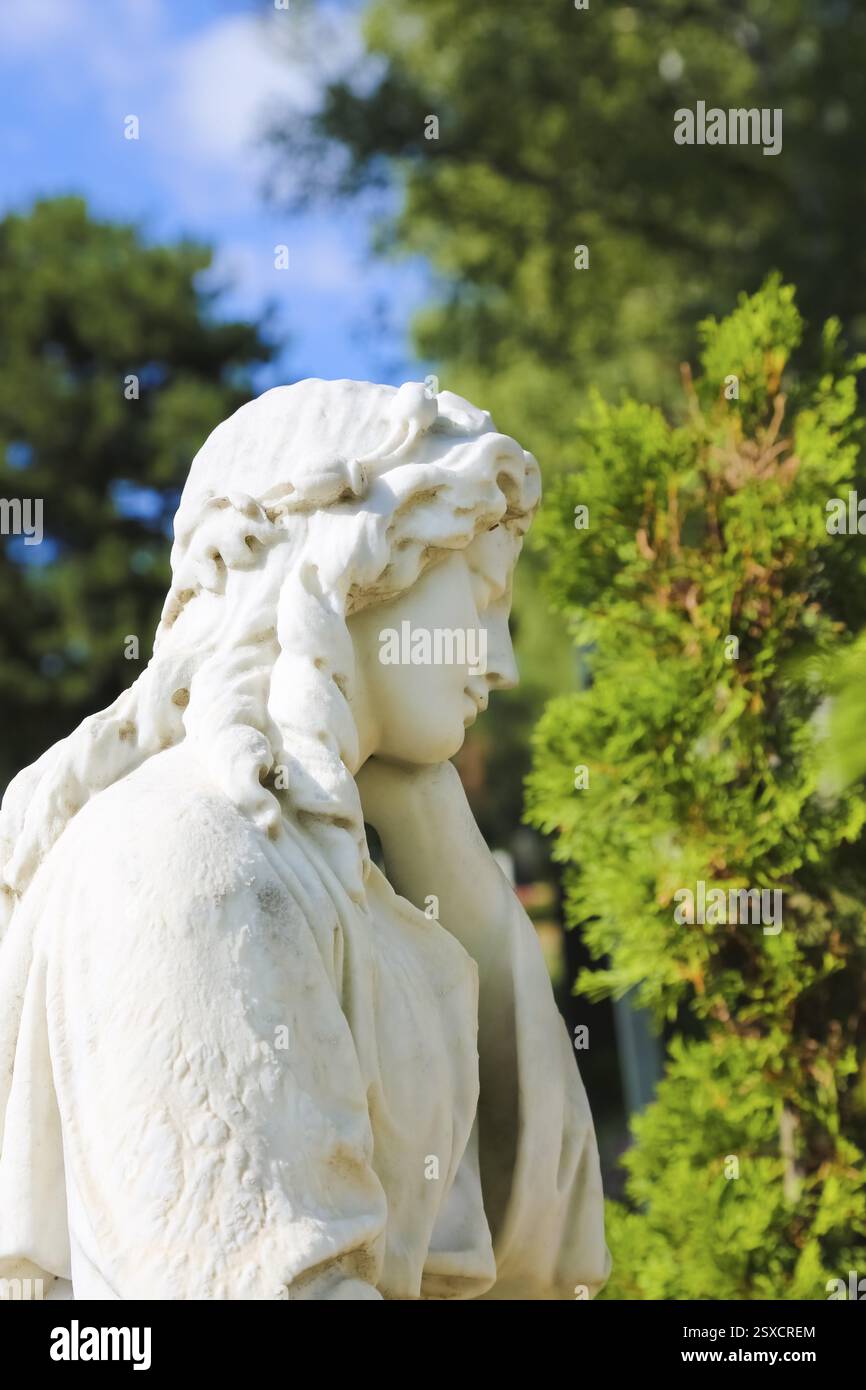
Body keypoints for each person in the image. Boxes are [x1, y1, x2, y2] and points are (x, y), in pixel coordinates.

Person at [0, 379, 610, 1299]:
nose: (504, 661)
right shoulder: (186, 863)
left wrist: (440, 829)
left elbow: (547, 1257)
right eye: (482, 595)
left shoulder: (332, 866)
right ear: (350, 568)